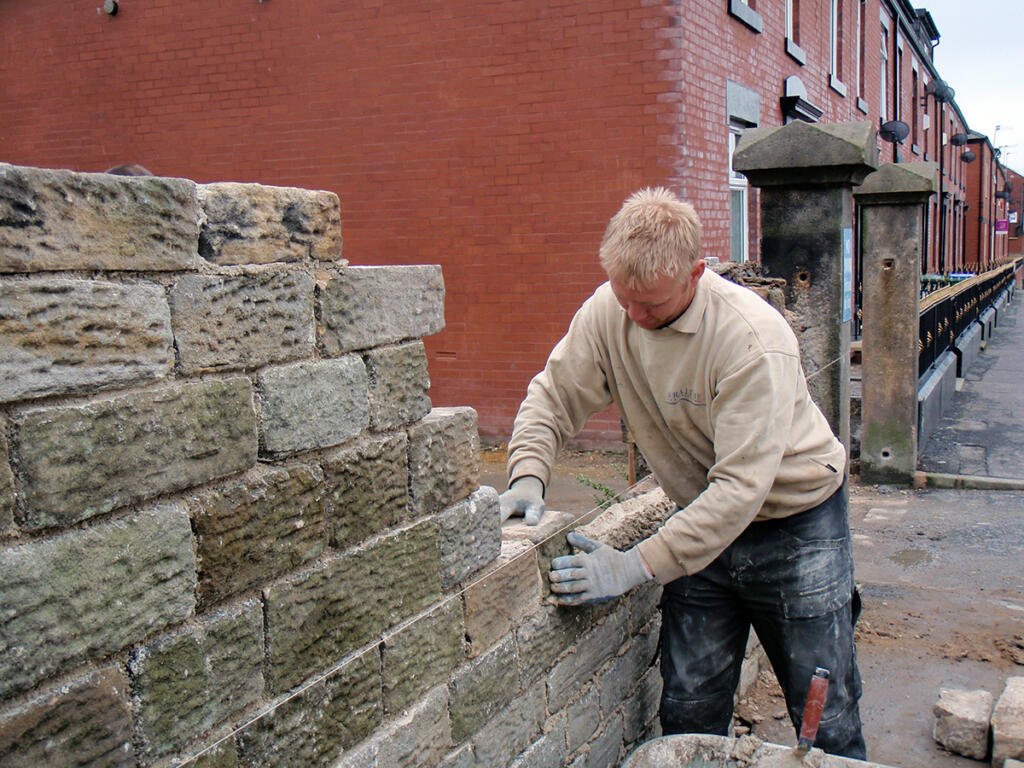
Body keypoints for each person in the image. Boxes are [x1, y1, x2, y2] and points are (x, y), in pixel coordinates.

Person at [499, 187, 865, 759]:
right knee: (690, 703)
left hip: (798, 526)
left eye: (651, 306)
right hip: (700, 519)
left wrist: (632, 565)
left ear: (695, 273)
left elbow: (741, 488)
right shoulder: (611, 310)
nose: (635, 318)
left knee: (824, 706)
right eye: (626, 300)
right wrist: (527, 475)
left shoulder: (751, 340)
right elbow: (553, 396)